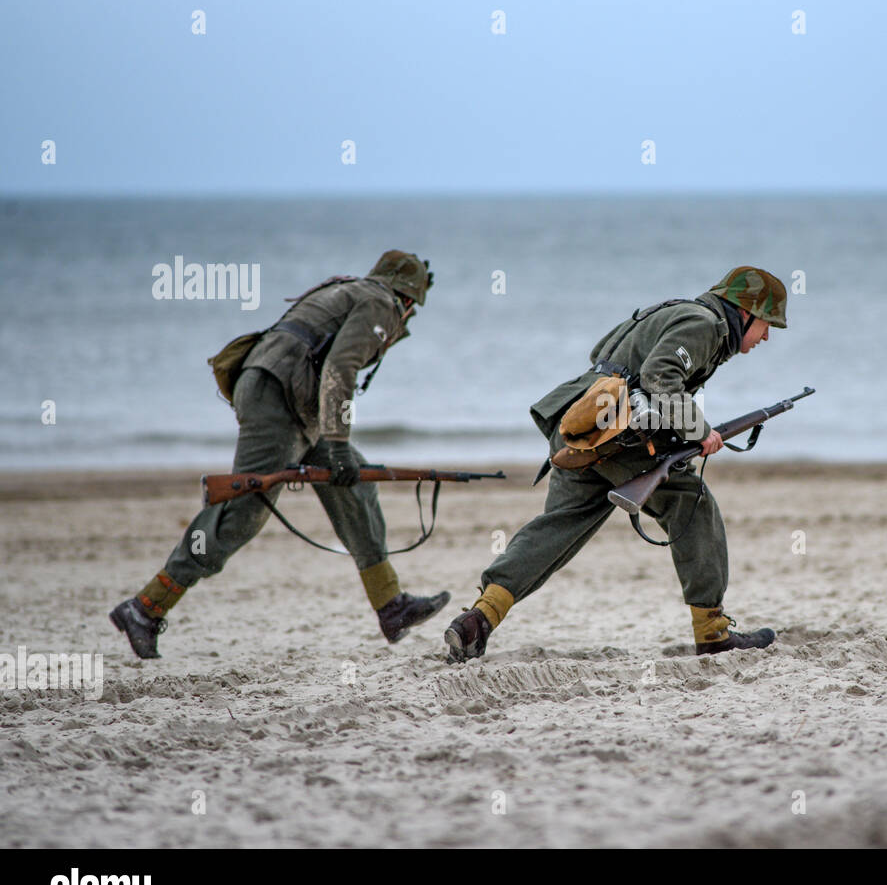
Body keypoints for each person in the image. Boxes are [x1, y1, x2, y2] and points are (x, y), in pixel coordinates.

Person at [109, 250, 450, 659]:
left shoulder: (350, 288)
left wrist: (341, 452)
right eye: (412, 310)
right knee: (243, 514)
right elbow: (340, 369)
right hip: (278, 397)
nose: (407, 320)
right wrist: (337, 445)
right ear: (408, 299)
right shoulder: (382, 303)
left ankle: (391, 605)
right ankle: (145, 608)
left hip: (291, 398)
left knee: (355, 484)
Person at [444, 265, 789, 663]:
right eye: (767, 325)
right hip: (616, 437)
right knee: (692, 503)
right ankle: (712, 632)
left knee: (558, 528)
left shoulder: (676, 311)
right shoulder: (704, 324)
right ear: (744, 311)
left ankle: (478, 619)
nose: (766, 337)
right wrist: (700, 431)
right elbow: (661, 377)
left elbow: (603, 358)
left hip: (580, 429)